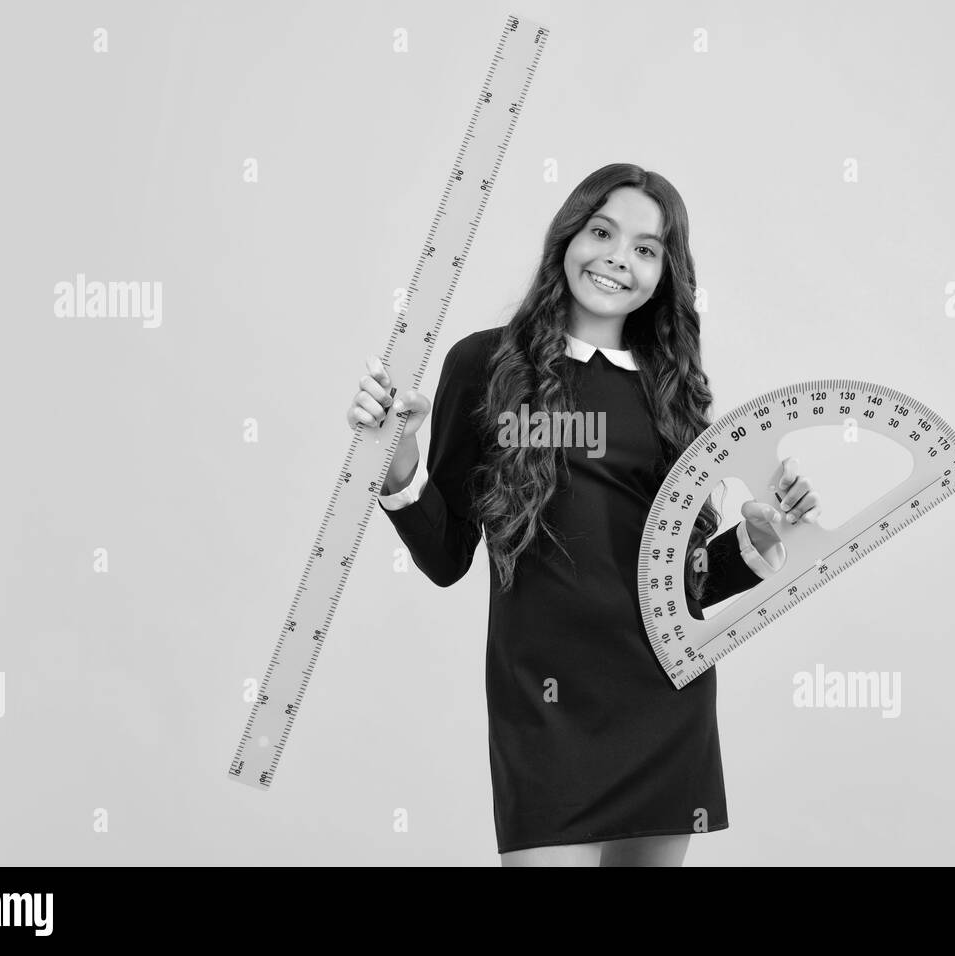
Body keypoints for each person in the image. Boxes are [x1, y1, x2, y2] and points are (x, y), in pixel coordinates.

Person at [346, 163, 820, 866]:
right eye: (602, 231)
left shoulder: (671, 393)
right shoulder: (485, 365)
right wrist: (398, 460)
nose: (616, 259)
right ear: (568, 235)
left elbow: (682, 582)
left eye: (645, 248)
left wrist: (753, 543)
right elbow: (446, 557)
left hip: (664, 696)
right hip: (542, 705)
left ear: (665, 273)